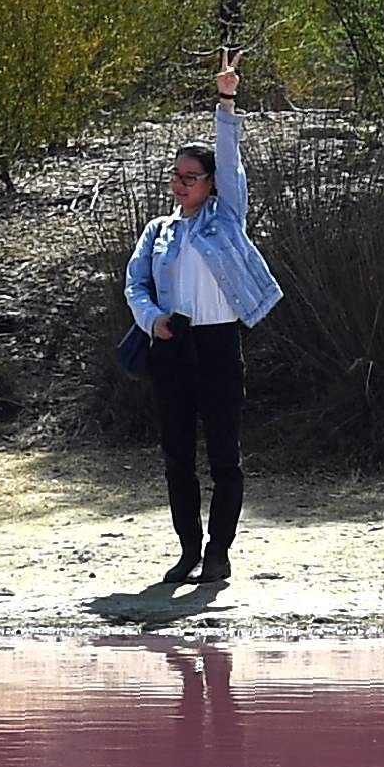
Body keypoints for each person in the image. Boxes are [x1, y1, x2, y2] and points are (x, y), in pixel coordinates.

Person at [121, 48, 280, 591]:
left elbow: (231, 157)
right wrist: (152, 320)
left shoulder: (226, 216)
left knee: (225, 455)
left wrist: (227, 100)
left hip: (218, 347)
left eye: (192, 176)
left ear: (212, 183)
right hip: (172, 347)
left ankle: (219, 553)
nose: (181, 183)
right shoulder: (158, 231)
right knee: (176, 458)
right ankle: (188, 550)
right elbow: (135, 284)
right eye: (177, 175)